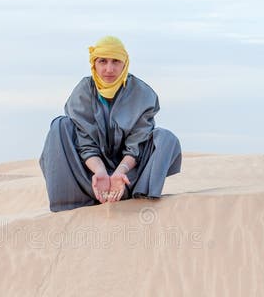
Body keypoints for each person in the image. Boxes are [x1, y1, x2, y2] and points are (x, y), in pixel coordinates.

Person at [40, 35, 182, 212]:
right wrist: (100, 172)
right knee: (60, 126)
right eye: (103, 61)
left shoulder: (142, 94)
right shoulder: (84, 90)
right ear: (94, 64)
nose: (109, 69)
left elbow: (136, 145)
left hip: (128, 176)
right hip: (91, 176)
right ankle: (73, 202)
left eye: (116, 61)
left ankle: (139, 197)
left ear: (125, 63)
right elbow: (85, 143)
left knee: (166, 138)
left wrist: (120, 172)